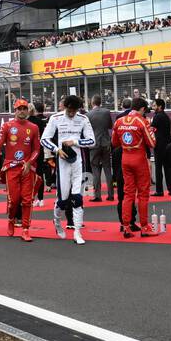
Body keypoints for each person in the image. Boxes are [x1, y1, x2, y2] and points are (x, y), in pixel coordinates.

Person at [41, 94, 96, 245]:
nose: (72, 113)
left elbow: (92, 141)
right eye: (70, 110)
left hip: (78, 161)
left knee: (78, 198)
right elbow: (44, 139)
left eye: (75, 110)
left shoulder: (83, 119)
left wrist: (75, 142)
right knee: (63, 200)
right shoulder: (56, 118)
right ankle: (57, 222)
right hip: (62, 161)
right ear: (65, 107)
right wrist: (57, 149)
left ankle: (77, 232)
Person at [0, 99, 41, 241]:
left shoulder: (33, 127)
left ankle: (26, 229)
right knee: (13, 200)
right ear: (15, 110)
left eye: (24, 108)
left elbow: (37, 149)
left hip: (27, 169)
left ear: (28, 110)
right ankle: (11, 219)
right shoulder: (6, 126)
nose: (21, 111)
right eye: (19, 108)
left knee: (27, 200)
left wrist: (30, 162)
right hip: (11, 167)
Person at [112, 98, 156, 237]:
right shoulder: (143, 121)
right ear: (142, 109)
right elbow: (152, 143)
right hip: (139, 159)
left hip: (125, 158)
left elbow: (114, 142)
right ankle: (144, 227)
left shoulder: (119, 121)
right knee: (143, 194)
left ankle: (126, 226)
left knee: (128, 193)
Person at [87, 95, 114, 202]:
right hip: (105, 142)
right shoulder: (107, 112)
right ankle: (111, 194)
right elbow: (110, 126)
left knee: (95, 170)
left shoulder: (88, 115)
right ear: (100, 102)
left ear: (92, 102)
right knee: (107, 169)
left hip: (94, 144)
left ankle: (97, 195)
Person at [151, 99, 171, 196]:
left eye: (154, 106)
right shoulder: (166, 116)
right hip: (167, 145)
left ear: (160, 106)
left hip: (159, 146)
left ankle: (159, 190)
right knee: (168, 169)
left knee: (158, 169)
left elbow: (151, 129)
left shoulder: (157, 117)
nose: (153, 107)